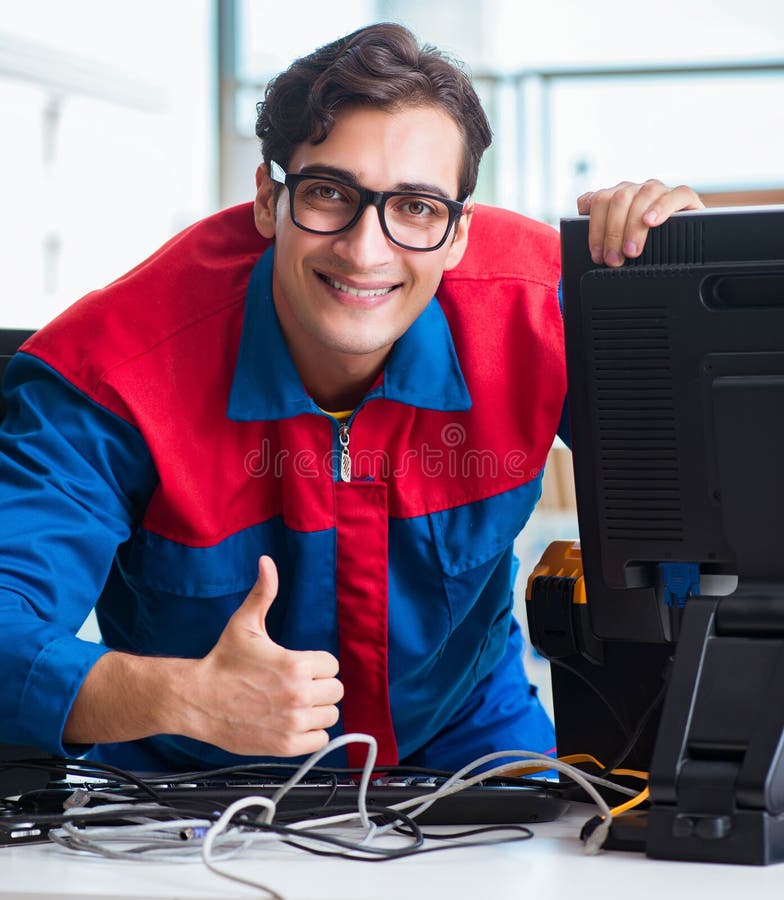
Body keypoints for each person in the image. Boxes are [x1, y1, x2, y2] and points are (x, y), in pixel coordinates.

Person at [0, 23, 702, 773]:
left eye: (417, 208)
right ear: (269, 201)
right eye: (330, 193)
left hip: (467, 744)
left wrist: (690, 310)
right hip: (192, 779)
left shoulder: (546, 308)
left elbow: (723, 519)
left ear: (461, 230)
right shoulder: (111, 371)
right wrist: (185, 698)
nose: (366, 250)